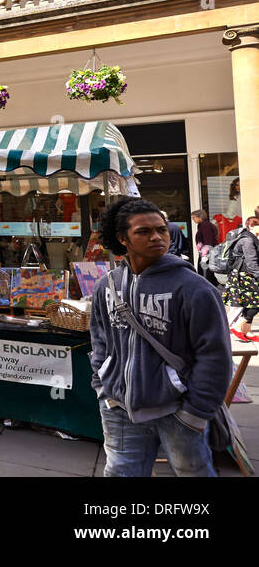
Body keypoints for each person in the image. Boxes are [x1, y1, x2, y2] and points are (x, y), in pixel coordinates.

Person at [89, 196, 230, 477]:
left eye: (161, 230)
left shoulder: (195, 289)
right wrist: (103, 386)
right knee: (120, 474)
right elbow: (100, 339)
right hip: (120, 408)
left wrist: (195, 412)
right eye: (143, 231)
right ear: (122, 238)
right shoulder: (108, 285)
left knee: (193, 474)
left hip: (177, 410)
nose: (156, 237)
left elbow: (215, 355)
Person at [222, 213, 259, 342]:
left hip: (243, 275)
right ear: (253, 227)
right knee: (254, 304)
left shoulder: (249, 238)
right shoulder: (248, 240)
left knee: (251, 303)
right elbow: (251, 261)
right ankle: (238, 327)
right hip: (244, 275)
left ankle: (246, 331)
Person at [193, 208, 220, 286]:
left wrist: (205, 256)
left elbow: (208, 241)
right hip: (207, 253)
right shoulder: (203, 225)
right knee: (208, 275)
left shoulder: (205, 226)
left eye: (194, 217)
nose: (193, 220)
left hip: (207, 254)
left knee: (206, 276)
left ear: (199, 217)